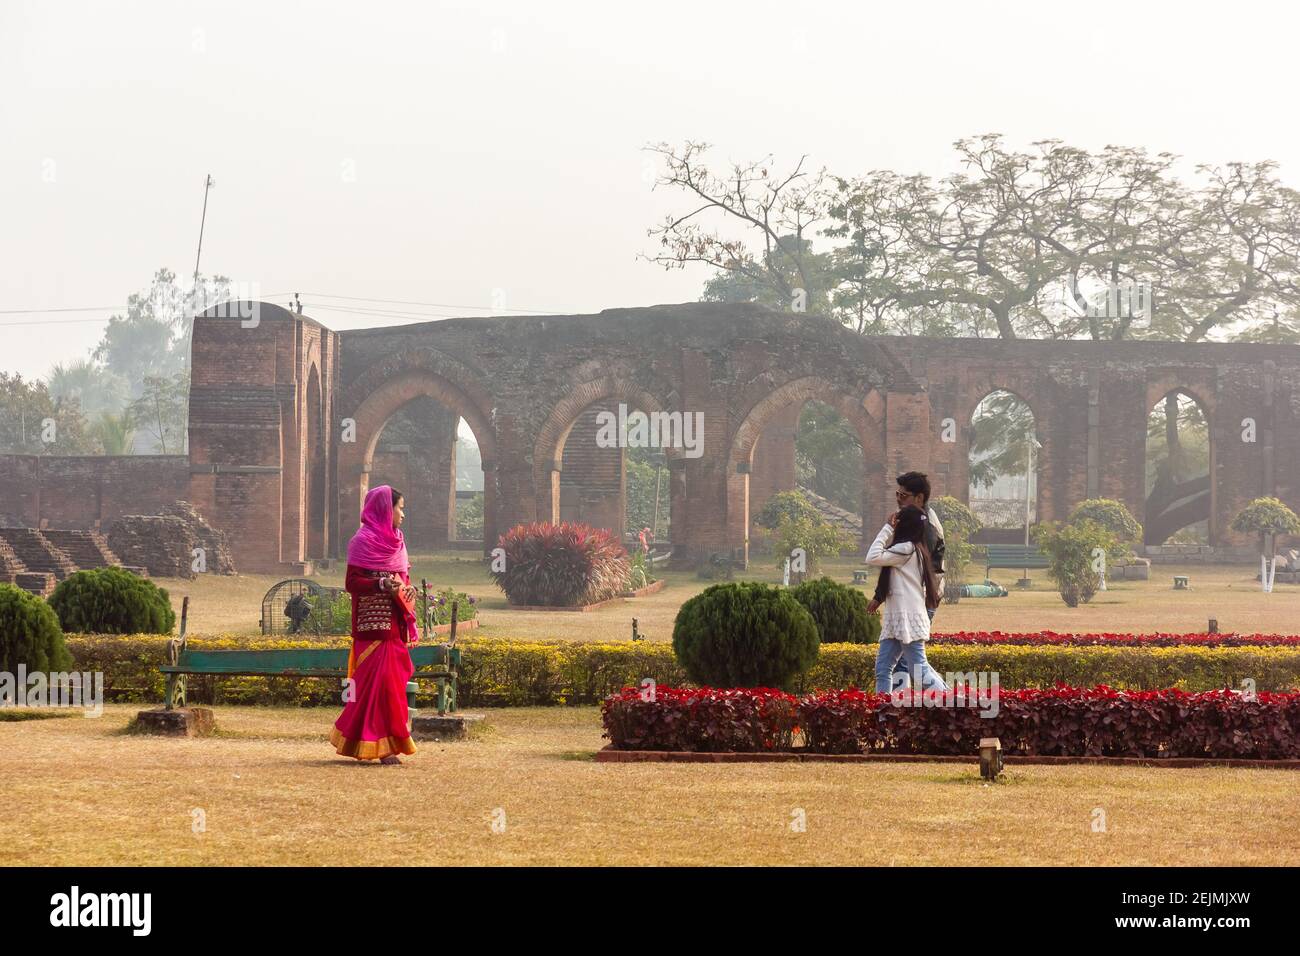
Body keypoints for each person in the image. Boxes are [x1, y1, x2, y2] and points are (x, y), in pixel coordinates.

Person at [331, 485, 420, 765]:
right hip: (371, 627)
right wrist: (381, 584)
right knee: (374, 687)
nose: (403, 514)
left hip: (394, 626)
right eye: (399, 507)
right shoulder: (361, 541)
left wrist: (406, 590)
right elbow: (351, 583)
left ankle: (382, 743)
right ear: (385, 509)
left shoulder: (398, 542)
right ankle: (378, 746)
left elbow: (402, 580)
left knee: (392, 687)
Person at [868, 471, 947, 689]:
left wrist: (888, 528)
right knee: (892, 667)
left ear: (919, 498)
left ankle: (951, 703)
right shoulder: (911, 523)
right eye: (897, 494)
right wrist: (880, 596)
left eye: (904, 495)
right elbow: (892, 568)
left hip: (916, 605)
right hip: (904, 607)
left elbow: (906, 569)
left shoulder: (924, 529)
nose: (898, 499)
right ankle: (890, 715)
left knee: (911, 667)